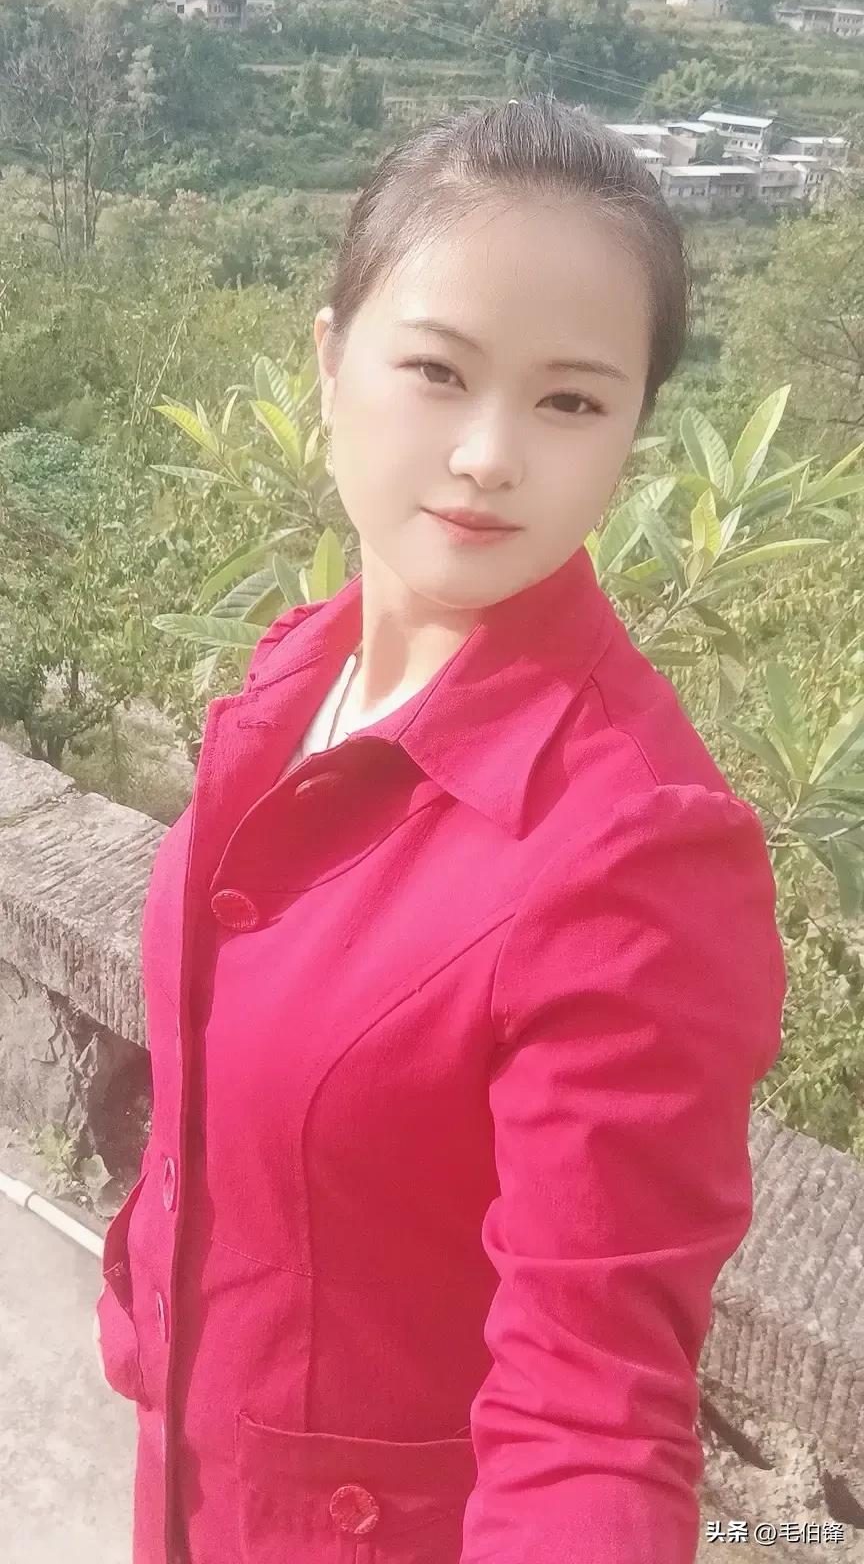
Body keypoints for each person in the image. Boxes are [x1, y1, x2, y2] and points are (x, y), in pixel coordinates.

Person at [94, 95, 786, 1564]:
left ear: (631, 435)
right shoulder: (296, 683)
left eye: (570, 402)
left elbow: (593, 1414)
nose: (487, 454)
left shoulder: (634, 847)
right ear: (330, 358)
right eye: (438, 370)